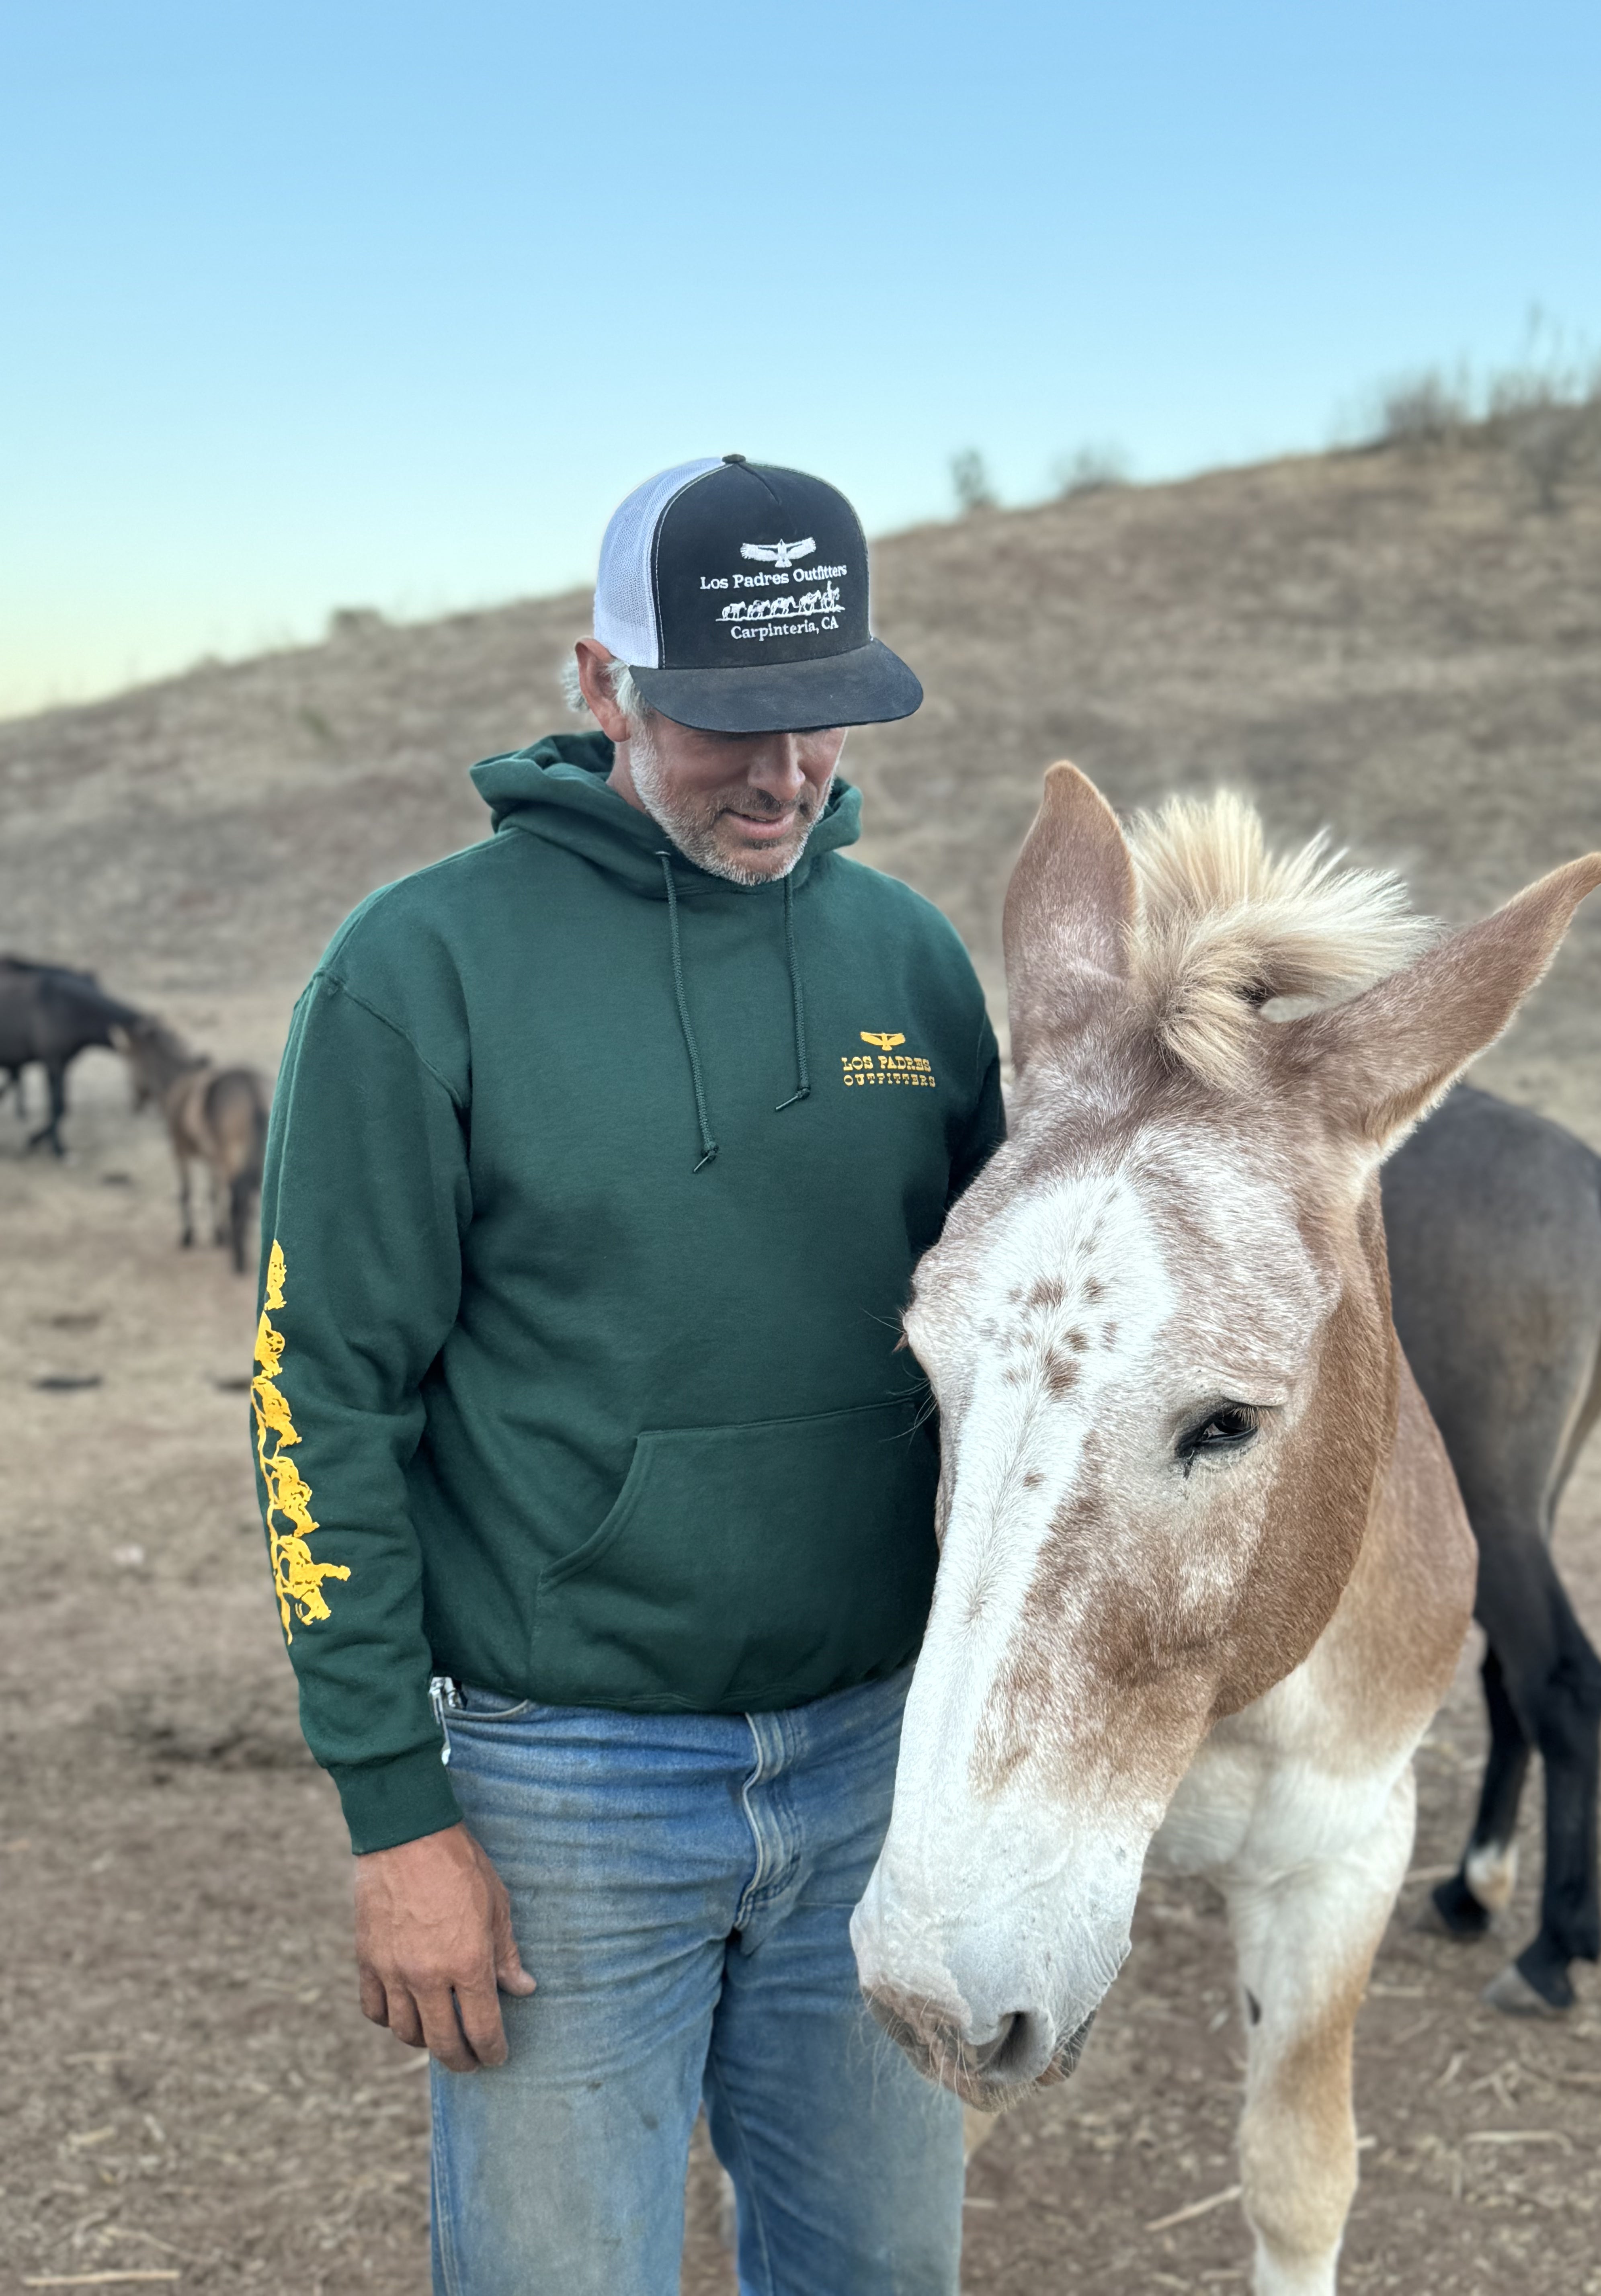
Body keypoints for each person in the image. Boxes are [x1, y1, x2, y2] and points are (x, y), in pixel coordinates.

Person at [251, 455, 1005, 2294]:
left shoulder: (908, 954)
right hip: (565, 1783)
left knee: (883, 2275)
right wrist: (396, 1813)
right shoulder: (416, 972)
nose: (781, 773)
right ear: (603, 686)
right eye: (721, 723)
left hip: (875, 1772)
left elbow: (1017, 1355)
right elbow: (315, 1404)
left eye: (816, 715)